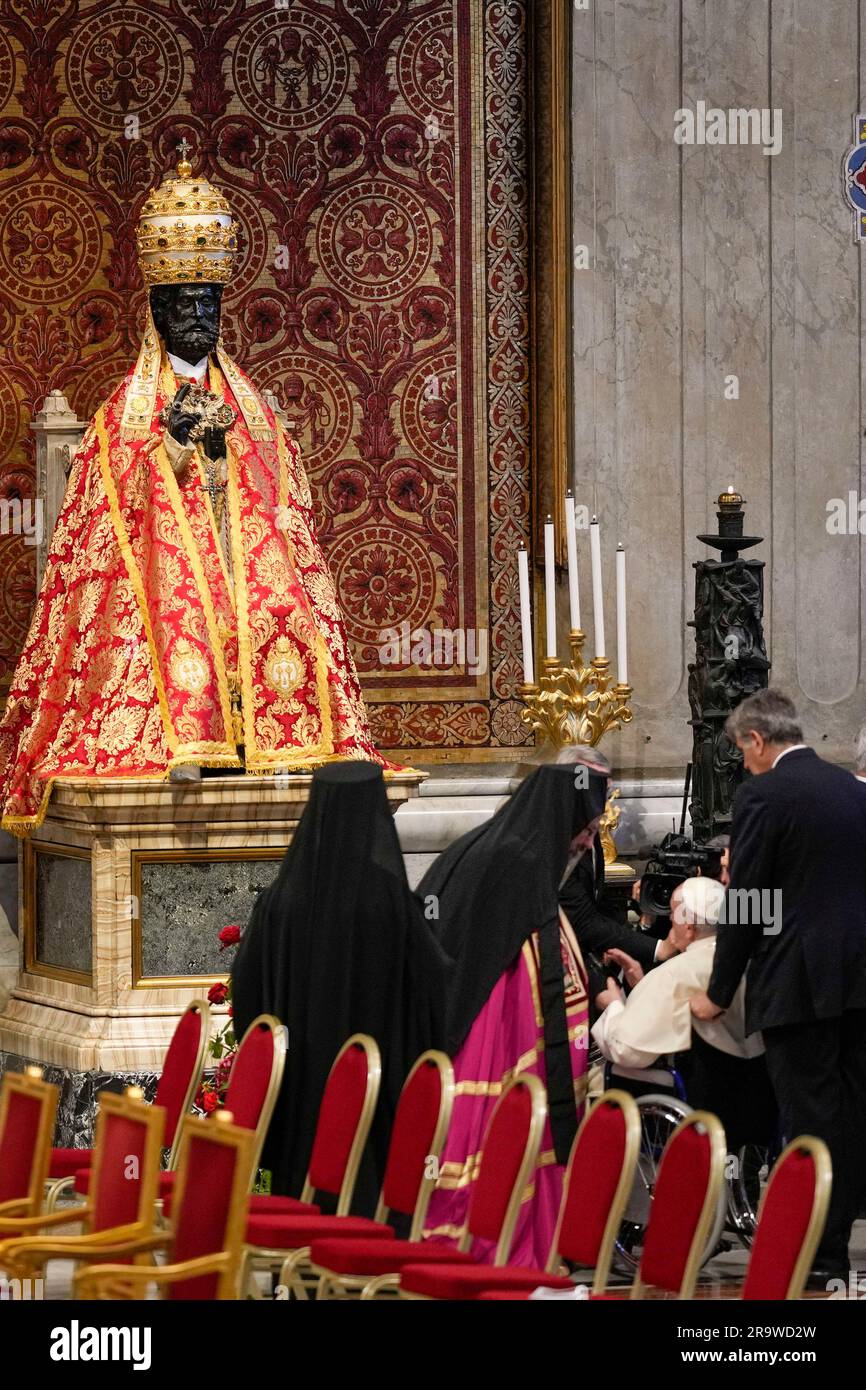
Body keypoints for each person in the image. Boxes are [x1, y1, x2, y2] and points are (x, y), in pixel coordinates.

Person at [0, 143, 384, 834]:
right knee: (171, 608)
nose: (198, 316)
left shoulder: (255, 406)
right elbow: (108, 511)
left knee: (279, 602)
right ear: (157, 310)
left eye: (207, 300)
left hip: (245, 562)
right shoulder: (127, 406)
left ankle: (273, 741)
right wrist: (172, 443)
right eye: (182, 303)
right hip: (153, 570)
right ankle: (187, 740)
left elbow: (284, 507)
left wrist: (225, 448)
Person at [690, 688, 866, 1283]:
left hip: (800, 982)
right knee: (850, 1117)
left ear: (758, 741)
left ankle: (816, 1257)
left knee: (811, 1119)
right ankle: (832, 1251)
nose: (743, 762)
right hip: (861, 982)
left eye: (743, 749)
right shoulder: (852, 789)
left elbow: (748, 902)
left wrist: (718, 991)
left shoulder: (763, 793)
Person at [415, 754, 608, 1265]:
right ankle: (501, 1256)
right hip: (496, 1035)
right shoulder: (516, 862)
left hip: (488, 1026)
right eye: (585, 829)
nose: (588, 842)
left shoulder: (506, 847)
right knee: (500, 1146)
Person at [231, 762, 446, 1211]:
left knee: (301, 1189)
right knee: (364, 1192)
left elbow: (247, 992)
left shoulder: (281, 899)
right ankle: (360, 1269)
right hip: (375, 1084)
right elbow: (430, 985)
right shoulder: (388, 899)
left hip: (299, 1089)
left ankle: (293, 1267)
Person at [594, 876, 775, 1149]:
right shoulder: (755, 965)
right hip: (756, 1106)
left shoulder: (673, 974)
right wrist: (643, 985)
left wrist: (614, 1005)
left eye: (672, 913)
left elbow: (626, 1050)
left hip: (696, 1106)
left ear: (689, 927)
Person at [559, 748, 678, 974]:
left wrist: (639, 930)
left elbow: (598, 902)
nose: (606, 794)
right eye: (595, 783)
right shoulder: (558, 838)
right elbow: (582, 920)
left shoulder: (589, 833)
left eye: (606, 784)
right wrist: (658, 948)